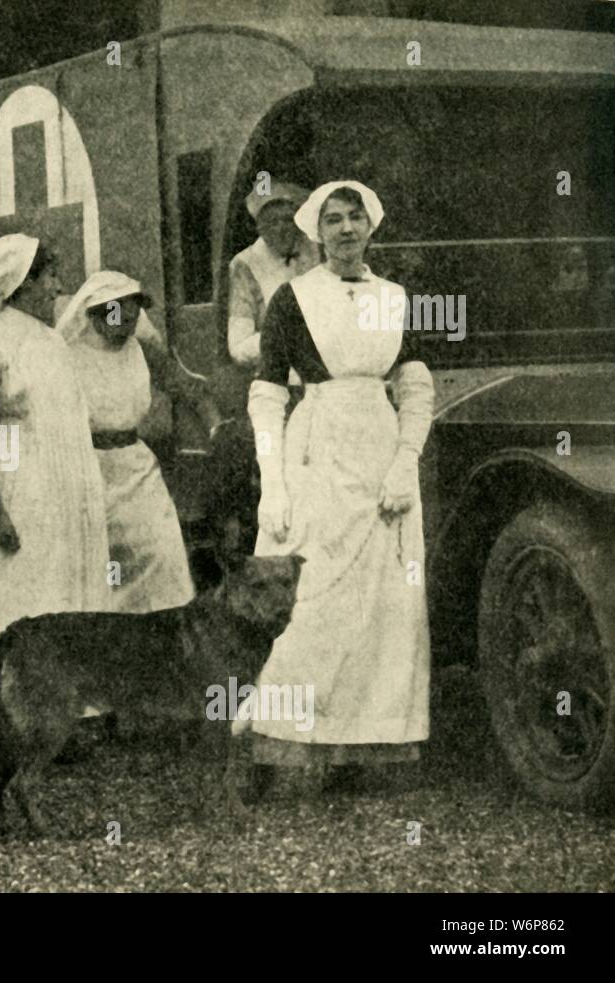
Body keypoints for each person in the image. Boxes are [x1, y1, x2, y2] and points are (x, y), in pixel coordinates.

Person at [243, 180, 433, 785]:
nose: (346, 229)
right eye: (333, 221)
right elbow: (268, 397)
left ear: (371, 226)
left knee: (386, 605)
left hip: (382, 457)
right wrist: (273, 482)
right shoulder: (292, 300)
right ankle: (291, 748)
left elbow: (416, 386)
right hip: (318, 453)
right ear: (315, 231)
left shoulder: (398, 298)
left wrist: (405, 462)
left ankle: (371, 746)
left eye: (356, 218)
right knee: (314, 602)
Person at [0, 234, 111, 724]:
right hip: (15, 489)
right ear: (21, 282)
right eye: (50, 277)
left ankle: (55, 714)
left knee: (58, 597)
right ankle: (0, 716)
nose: (59, 288)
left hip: (62, 489)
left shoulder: (50, 340)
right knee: (14, 597)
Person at [57, 270, 210, 612]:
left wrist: (214, 426)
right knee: (102, 563)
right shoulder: (66, 356)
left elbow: (184, 387)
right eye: (116, 308)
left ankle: (165, 625)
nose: (126, 316)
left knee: (160, 549)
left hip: (136, 468)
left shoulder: (142, 350)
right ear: (94, 312)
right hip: (85, 467)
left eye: (133, 308)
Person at [227, 177, 316, 367]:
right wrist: (287, 340)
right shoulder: (245, 264)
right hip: (277, 368)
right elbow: (238, 345)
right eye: (272, 222)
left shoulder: (316, 250)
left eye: (287, 220)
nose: (281, 229)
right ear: (259, 227)